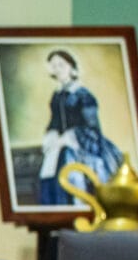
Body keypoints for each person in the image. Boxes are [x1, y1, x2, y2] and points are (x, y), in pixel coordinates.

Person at [38, 48, 125, 205]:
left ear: (71, 68)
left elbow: (92, 126)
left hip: (84, 142)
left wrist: (69, 137)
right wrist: (52, 135)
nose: (58, 70)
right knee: (50, 169)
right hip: (61, 143)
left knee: (75, 172)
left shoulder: (83, 94)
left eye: (61, 65)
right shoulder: (57, 96)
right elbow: (54, 120)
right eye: (54, 66)